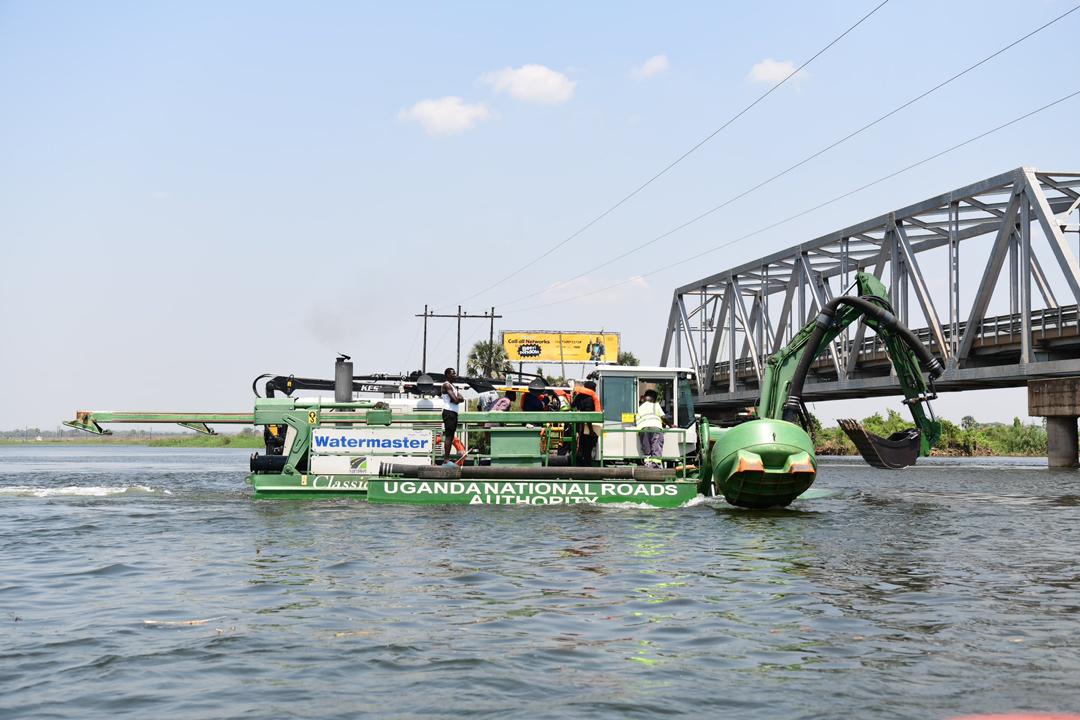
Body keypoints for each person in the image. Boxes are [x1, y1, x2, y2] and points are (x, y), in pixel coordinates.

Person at [571, 380, 601, 466]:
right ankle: (587, 465)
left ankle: (580, 463)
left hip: (580, 426)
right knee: (588, 447)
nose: (595, 390)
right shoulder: (590, 399)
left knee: (581, 445)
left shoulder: (579, 396)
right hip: (587, 427)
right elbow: (588, 417)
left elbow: (572, 405)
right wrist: (591, 430)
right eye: (594, 388)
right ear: (591, 389)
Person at [636, 389, 667, 467]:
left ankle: (648, 464)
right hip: (655, 427)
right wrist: (670, 425)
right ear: (654, 399)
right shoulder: (655, 405)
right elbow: (663, 417)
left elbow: (636, 419)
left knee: (646, 448)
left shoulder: (640, 407)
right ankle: (656, 465)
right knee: (656, 446)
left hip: (643, 429)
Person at [440, 367, 465, 465]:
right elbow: (455, 400)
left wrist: (458, 399)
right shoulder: (446, 385)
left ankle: (447, 458)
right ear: (447, 375)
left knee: (451, 436)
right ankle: (446, 459)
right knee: (449, 436)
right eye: (453, 374)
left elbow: (461, 398)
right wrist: (457, 399)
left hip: (453, 412)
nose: (455, 375)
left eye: (455, 373)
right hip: (449, 412)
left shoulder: (453, 386)